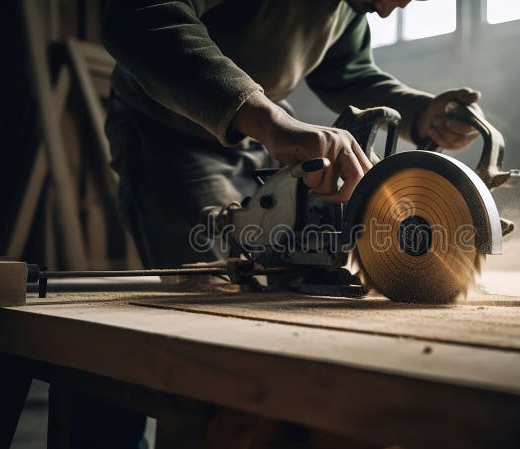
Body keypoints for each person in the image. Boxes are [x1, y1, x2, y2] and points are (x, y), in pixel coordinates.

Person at [78, 0, 482, 447]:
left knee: (266, 283)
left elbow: (348, 73)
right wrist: (272, 121)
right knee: (208, 320)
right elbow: (139, 15)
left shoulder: (350, 7)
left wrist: (419, 110)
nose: (390, 14)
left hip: (254, 131)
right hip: (169, 131)